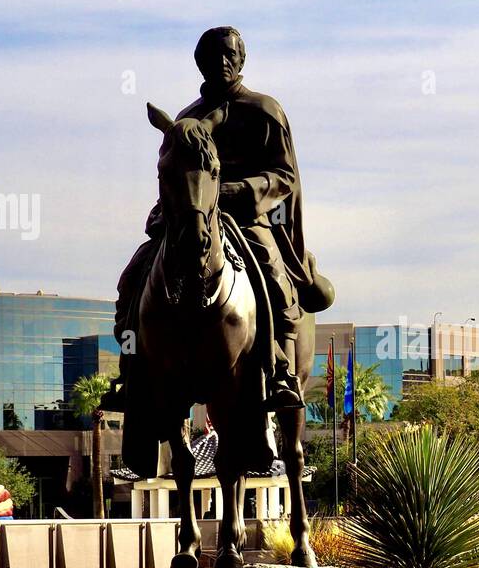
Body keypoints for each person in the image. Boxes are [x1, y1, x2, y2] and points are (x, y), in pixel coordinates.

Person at [109, 26, 331, 413]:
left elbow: (285, 177)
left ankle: (280, 369)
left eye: (230, 55)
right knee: (133, 279)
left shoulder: (264, 110)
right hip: (187, 221)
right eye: (214, 57)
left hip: (249, 218)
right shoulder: (186, 118)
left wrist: (238, 191)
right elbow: (171, 172)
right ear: (201, 64)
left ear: (242, 60)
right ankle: (129, 374)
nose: (223, 62)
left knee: (275, 279)